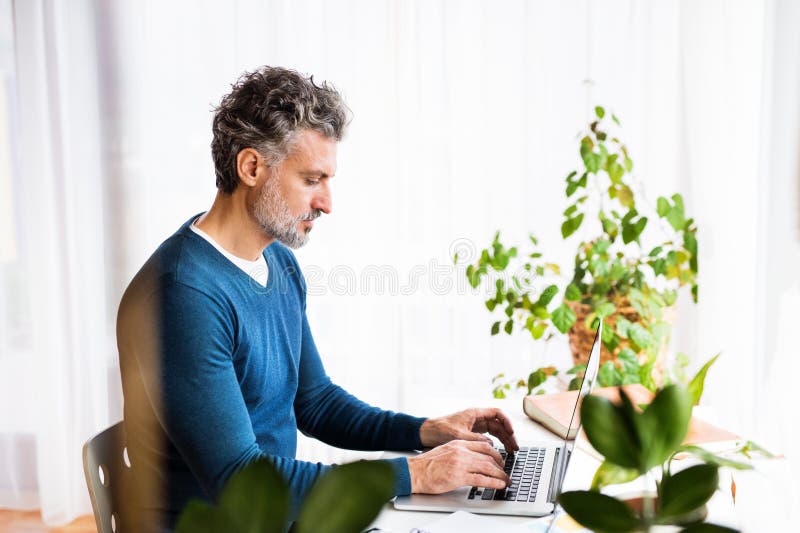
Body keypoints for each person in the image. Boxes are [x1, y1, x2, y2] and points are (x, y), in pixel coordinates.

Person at [117, 66, 518, 531]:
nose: (327, 202)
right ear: (251, 168)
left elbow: (316, 402)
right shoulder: (184, 295)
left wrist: (424, 431)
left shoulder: (277, 261)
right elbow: (240, 480)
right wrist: (414, 472)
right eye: (312, 179)